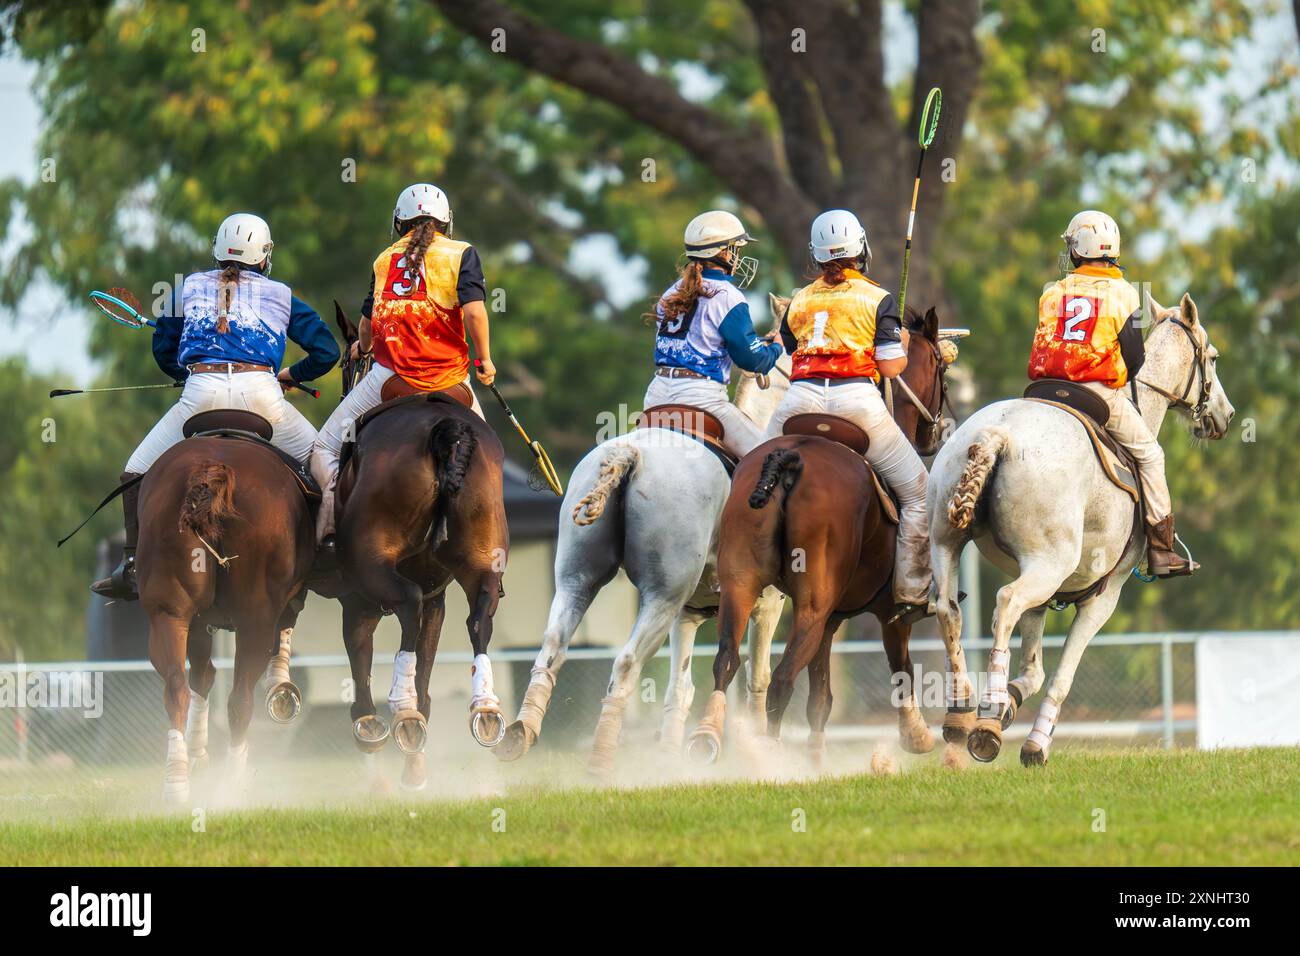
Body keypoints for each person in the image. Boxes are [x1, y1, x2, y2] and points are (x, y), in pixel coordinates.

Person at [91, 212, 340, 599]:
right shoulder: (281, 294)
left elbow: (163, 347)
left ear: (217, 251)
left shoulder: (188, 286)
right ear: (264, 256)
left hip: (199, 396)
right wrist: (291, 374)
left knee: (135, 470)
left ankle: (132, 565)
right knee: (325, 459)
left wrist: (184, 372)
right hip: (262, 398)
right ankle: (328, 550)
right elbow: (328, 351)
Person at [767, 209, 932, 624]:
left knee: (745, 476)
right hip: (856, 406)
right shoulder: (879, 298)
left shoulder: (801, 298)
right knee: (918, 493)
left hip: (798, 403)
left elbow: (785, 350)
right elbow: (892, 368)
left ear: (816, 255)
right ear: (862, 249)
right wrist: (903, 341)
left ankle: (722, 564)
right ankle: (913, 588)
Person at [310, 183, 494, 550]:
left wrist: (361, 349)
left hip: (391, 376)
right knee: (487, 458)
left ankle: (328, 531)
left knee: (323, 449)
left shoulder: (384, 260)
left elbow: (366, 325)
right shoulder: (463, 254)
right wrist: (485, 360)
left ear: (398, 223)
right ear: (446, 222)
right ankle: (486, 545)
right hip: (451, 377)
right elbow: (473, 310)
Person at [1029, 209, 1192, 576]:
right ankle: (1162, 551)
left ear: (1075, 251)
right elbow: (1135, 358)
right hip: (1096, 394)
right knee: (1151, 456)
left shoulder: (1052, 293)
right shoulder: (1125, 294)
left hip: (1043, 391)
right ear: (1112, 251)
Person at [642, 210, 783, 458]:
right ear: (725, 253)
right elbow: (752, 361)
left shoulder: (671, 292)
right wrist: (776, 347)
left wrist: (755, 343)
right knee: (769, 460)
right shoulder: (728, 296)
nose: (737, 256)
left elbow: (698, 341)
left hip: (656, 396)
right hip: (701, 400)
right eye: (735, 249)